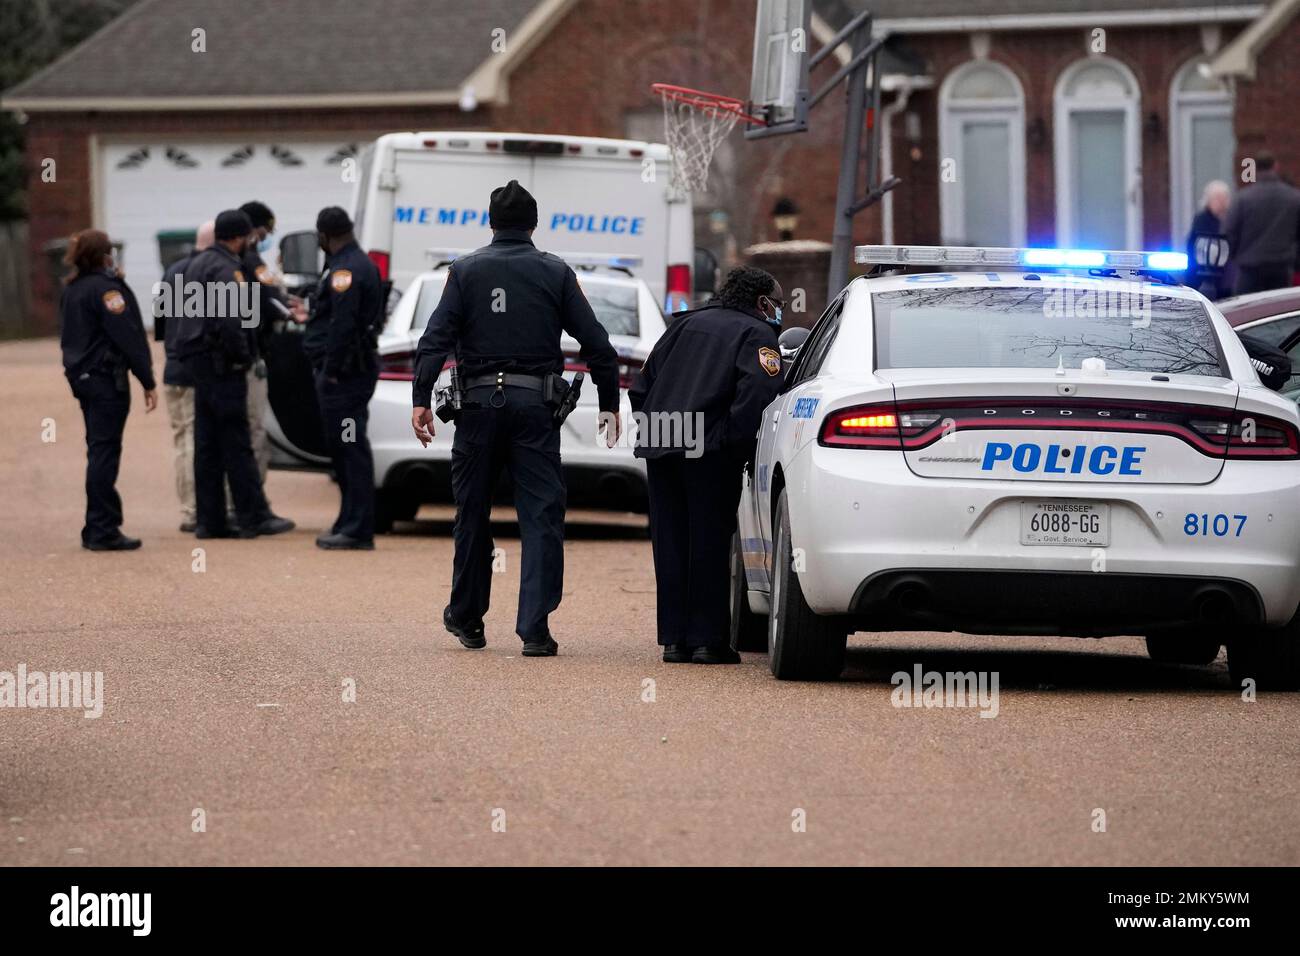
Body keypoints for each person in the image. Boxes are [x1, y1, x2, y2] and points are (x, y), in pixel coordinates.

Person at [411, 180, 621, 657]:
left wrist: (421, 397)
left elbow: (435, 337)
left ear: (490, 223)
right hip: (535, 411)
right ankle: (535, 628)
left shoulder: (463, 272)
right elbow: (598, 344)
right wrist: (609, 403)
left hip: (478, 410)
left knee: (472, 515)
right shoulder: (555, 272)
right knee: (541, 517)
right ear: (534, 224)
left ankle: (467, 618)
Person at [629, 266, 786, 664]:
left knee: (671, 540)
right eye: (778, 303)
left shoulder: (683, 324)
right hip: (711, 448)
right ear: (760, 301)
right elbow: (757, 393)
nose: (780, 310)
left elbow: (641, 386)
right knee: (711, 541)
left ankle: (674, 640)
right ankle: (706, 640)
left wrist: (656, 427)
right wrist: (734, 443)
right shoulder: (757, 333)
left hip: (663, 442)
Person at [173, 209, 294, 539]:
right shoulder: (228, 269)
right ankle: (253, 516)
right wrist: (243, 356)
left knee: (207, 446)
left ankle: (210, 521)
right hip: (223, 365)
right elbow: (231, 320)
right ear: (238, 238)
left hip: (198, 365)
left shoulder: (196, 264)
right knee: (238, 443)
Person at [59, 229, 157, 550]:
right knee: (104, 452)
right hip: (105, 380)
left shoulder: (73, 289)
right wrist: (147, 379)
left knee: (97, 448)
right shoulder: (106, 290)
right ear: (104, 254)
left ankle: (96, 526)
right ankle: (103, 528)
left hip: (83, 379)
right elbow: (128, 336)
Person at [303, 207, 383, 550]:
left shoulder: (346, 270)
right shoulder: (348, 264)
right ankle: (349, 517)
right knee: (343, 448)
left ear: (324, 236)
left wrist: (331, 371)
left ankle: (358, 527)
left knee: (351, 447)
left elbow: (344, 324)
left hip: (346, 375)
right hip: (348, 372)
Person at [156, 218, 214, 532]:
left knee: (181, 441)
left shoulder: (172, 271)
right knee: (195, 439)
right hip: (195, 370)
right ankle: (197, 508)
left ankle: (187, 507)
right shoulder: (211, 271)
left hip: (173, 367)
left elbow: (161, 322)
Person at [238, 200, 291, 481]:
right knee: (253, 429)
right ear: (255, 230)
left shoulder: (219, 261)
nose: (267, 237)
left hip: (228, 360)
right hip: (251, 357)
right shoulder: (250, 261)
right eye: (267, 230)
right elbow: (275, 301)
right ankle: (252, 502)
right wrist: (291, 309)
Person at [1224, 150, 1300, 295]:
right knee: (1279, 311)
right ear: (1275, 166)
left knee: (1246, 313)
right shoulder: (1294, 198)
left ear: (1255, 169)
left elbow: (1229, 232)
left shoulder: (1243, 199)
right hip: (1281, 269)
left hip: (1249, 270)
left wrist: (1235, 257)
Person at [1184, 181, 1232, 301]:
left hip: (1224, 278)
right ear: (1208, 200)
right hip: (1203, 275)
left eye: (1224, 198)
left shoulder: (1229, 219)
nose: (1221, 203)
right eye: (1217, 199)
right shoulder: (1202, 221)